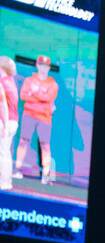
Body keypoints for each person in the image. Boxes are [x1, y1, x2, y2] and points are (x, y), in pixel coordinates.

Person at [15, 54, 58, 185]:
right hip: (29, 115)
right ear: (37, 65)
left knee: (45, 145)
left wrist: (33, 93)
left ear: (49, 67)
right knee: (23, 141)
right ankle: (17, 170)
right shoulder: (29, 80)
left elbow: (48, 98)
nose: (43, 68)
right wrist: (39, 96)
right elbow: (23, 95)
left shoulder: (53, 84)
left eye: (46, 66)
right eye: (41, 65)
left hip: (44, 118)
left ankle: (46, 175)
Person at [0, 58, 17, 191]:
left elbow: (2, 105)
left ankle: (4, 183)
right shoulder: (11, 82)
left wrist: (4, 125)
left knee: (3, 153)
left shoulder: (2, 83)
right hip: (13, 121)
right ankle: (7, 181)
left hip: (5, 121)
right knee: (5, 153)